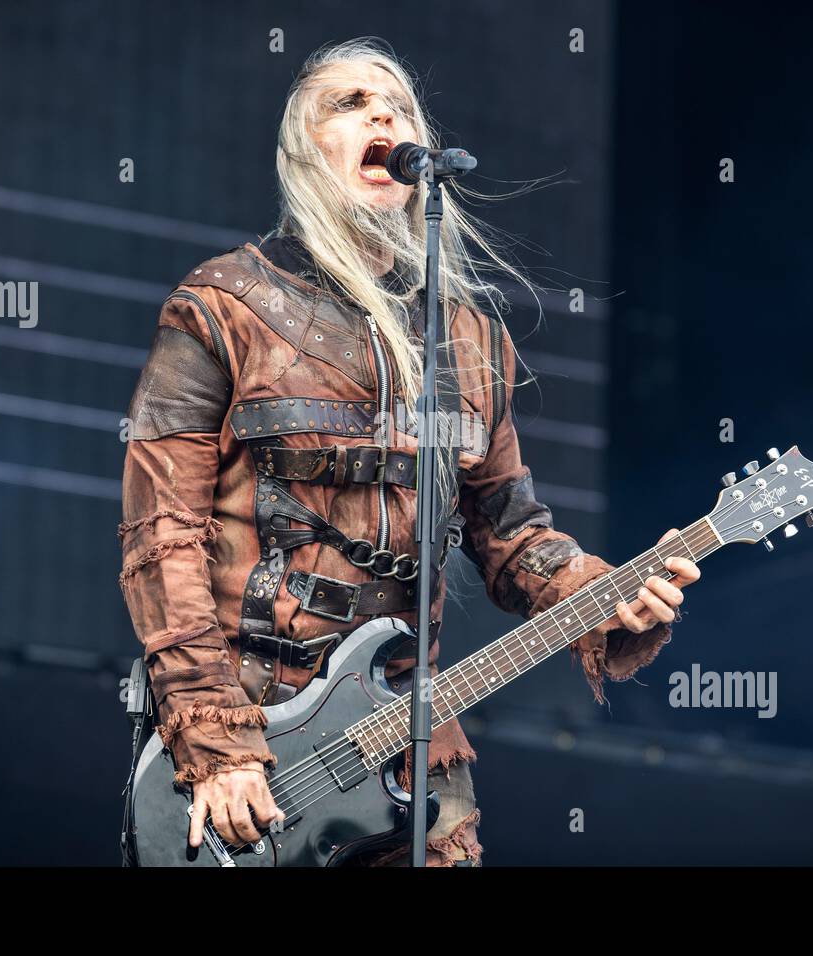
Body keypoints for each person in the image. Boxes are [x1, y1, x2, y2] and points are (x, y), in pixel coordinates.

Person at [117, 37, 699, 867]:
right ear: (303, 152)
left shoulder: (467, 334)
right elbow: (160, 539)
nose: (383, 114)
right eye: (350, 104)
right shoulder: (221, 309)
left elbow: (511, 530)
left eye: (397, 105)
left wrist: (602, 594)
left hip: (407, 742)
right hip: (250, 730)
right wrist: (215, 739)